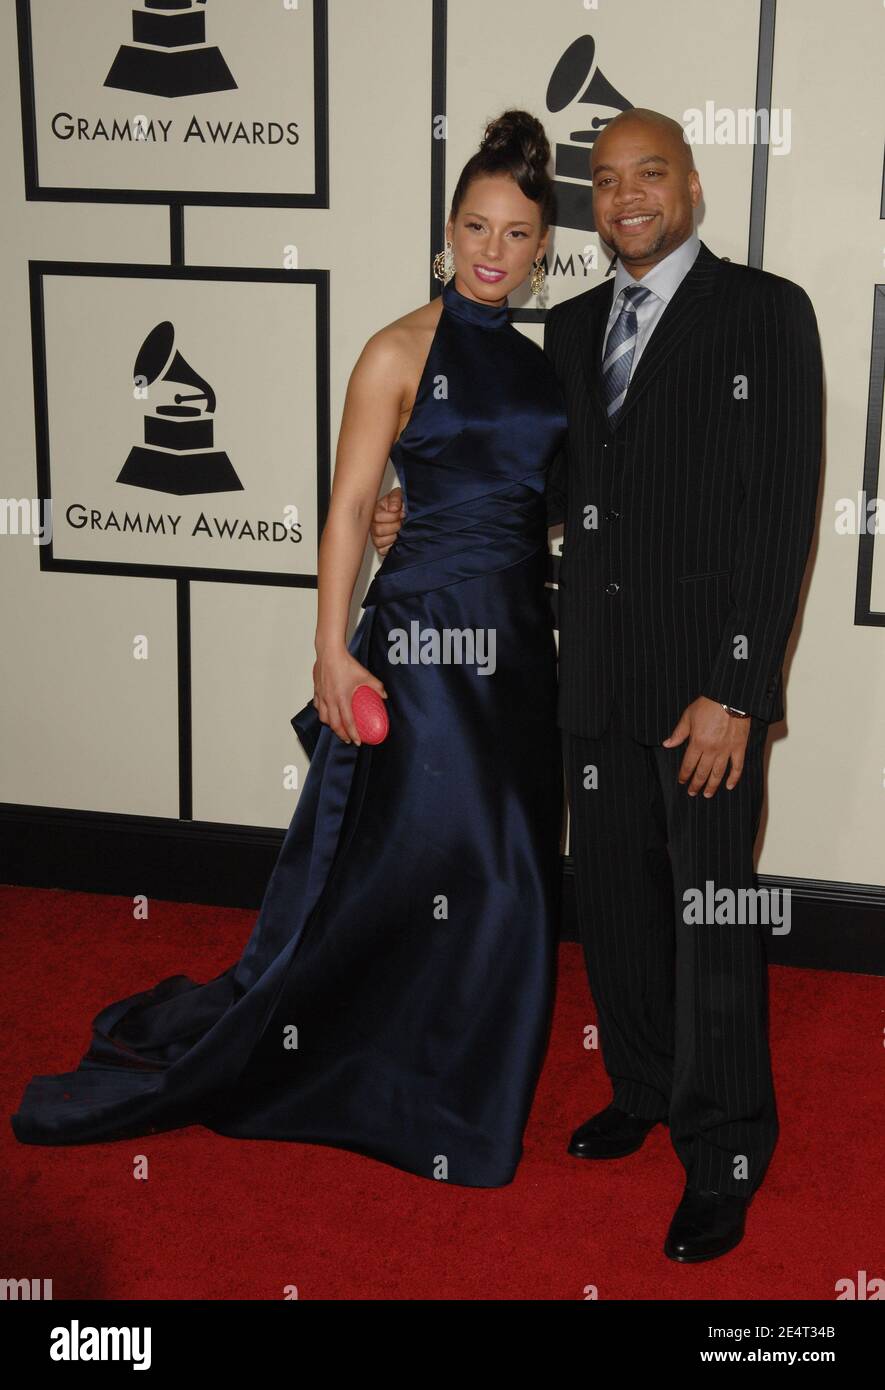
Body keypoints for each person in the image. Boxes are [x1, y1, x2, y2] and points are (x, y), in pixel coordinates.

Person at [10, 111, 569, 1188]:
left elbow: (526, 505)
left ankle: (450, 1082)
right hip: (418, 649)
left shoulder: (546, 377)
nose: (493, 252)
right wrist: (330, 647)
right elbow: (351, 502)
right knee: (432, 867)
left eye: (516, 234)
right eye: (475, 226)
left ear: (544, 248)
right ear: (447, 230)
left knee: (509, 878)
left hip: (517, 653)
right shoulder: (397, 350)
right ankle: (400, 1085)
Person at [372, 108, 823, 1257]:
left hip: (702, 692)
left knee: (712, 912)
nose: (626, 195)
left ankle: (723, 1148)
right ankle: (643, 1088)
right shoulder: (569, 329)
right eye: (608, 179)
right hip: (592, 680)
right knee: (617, 905)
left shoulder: (766, 314)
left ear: (692, 186)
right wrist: (415, 512)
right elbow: (534, 485)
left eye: (650, 174)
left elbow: (779, 519)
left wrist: (738, 687)